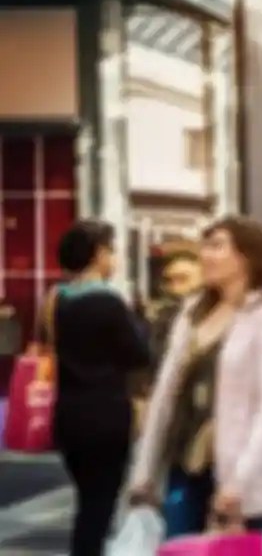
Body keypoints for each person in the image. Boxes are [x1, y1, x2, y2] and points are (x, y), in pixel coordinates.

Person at [129, 215, 262, 537]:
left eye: (217, 246)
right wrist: (144, 471)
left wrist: (237, 484)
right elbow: (166, 394)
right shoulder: (194, 311)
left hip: (236, 477)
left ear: (247, 256)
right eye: (204, 246)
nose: (205, 255)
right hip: (185, 465)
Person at [47, 220, 151, 556]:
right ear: (99, 254)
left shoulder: (55, 299)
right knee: (99, 507)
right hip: (106, 415)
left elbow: (49, 346)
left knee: (86, 503)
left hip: (68, 413)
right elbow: (138, 354)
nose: (115, 258)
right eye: (112, 251)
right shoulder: (109, 302)